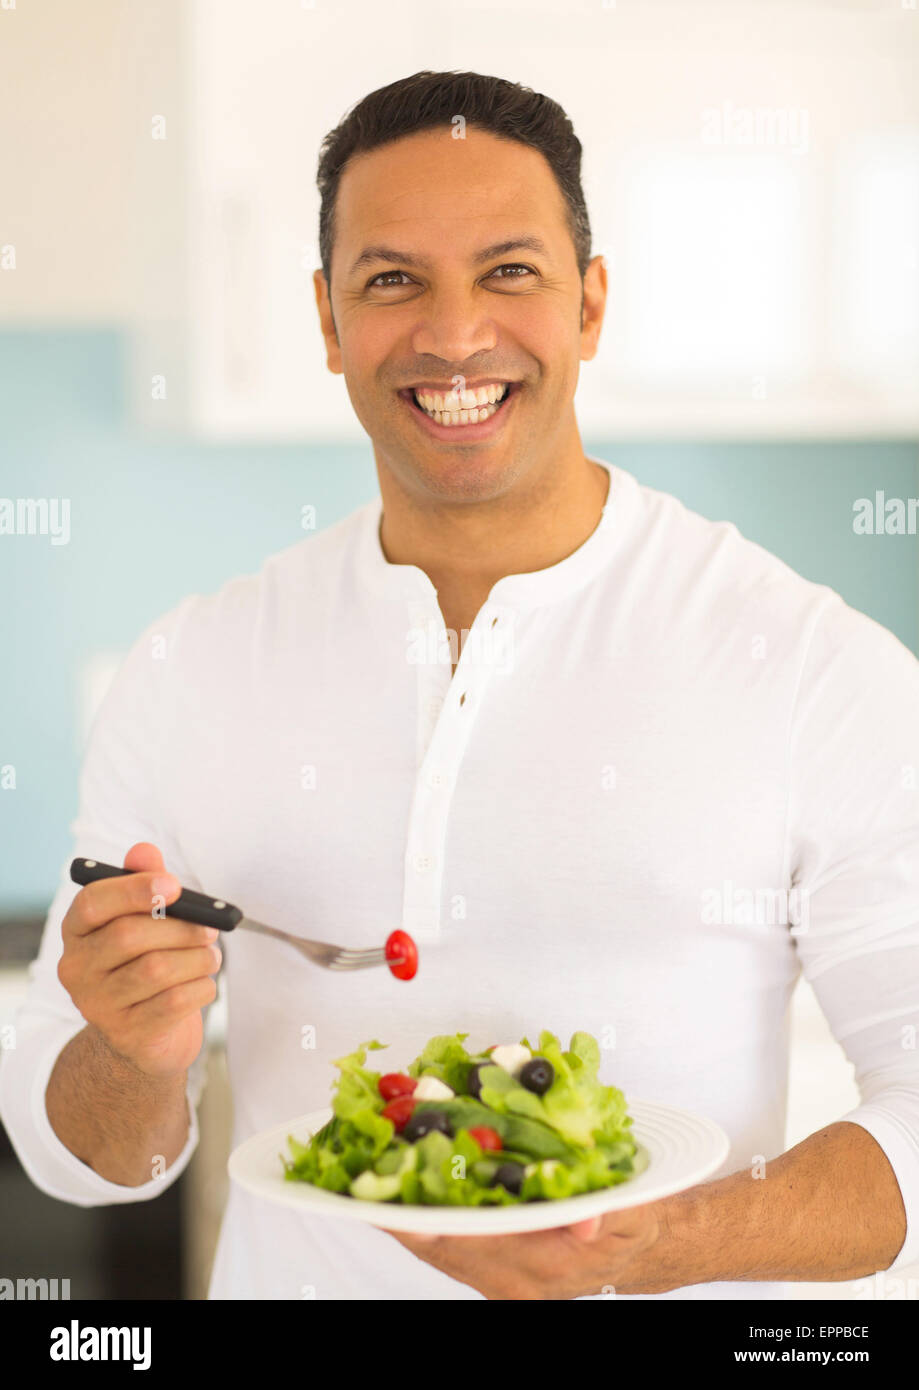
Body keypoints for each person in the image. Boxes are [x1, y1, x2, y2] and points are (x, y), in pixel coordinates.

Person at [2, 70, 918, 1302]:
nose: (452, 334)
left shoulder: (811, 665)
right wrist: (133, 1053)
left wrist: (663, 1242)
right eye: (391, 281)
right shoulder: (193, 666)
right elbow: (86, 1165)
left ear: (590, 304)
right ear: (327, 321)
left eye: (510, 272)